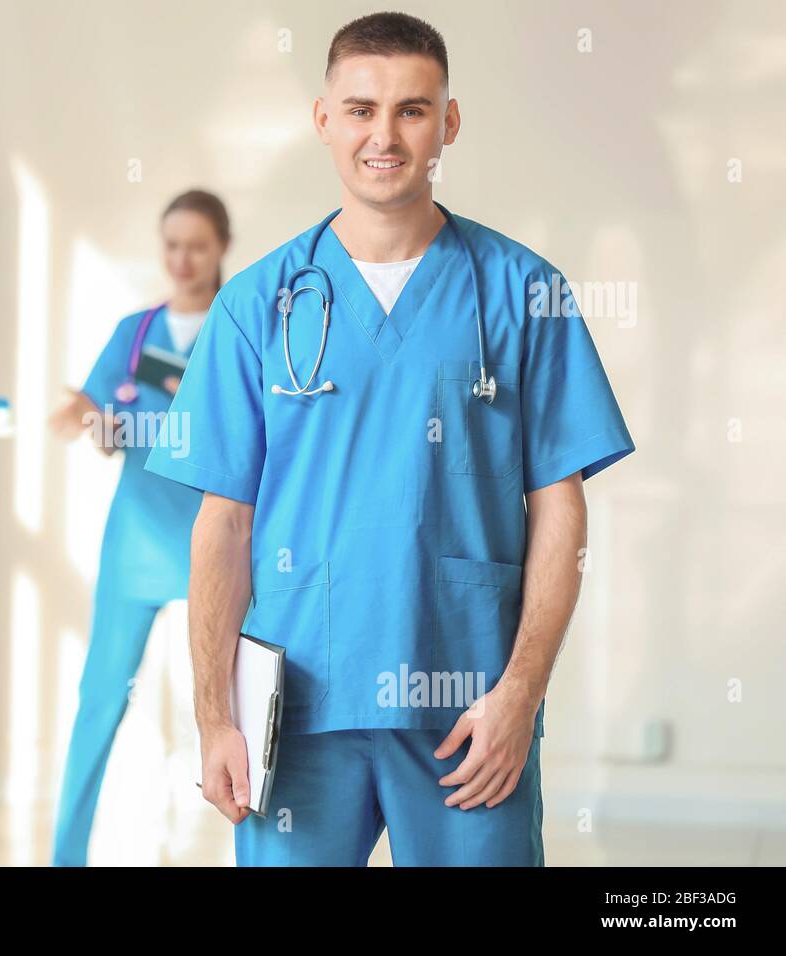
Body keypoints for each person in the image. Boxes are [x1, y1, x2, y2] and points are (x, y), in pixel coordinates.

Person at [146, 13, 635, 866]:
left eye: (412, 110)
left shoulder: (523, 294)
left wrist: (519, 694)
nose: (385, 134)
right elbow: (222, 524)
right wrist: (214, 716)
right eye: (362, 109)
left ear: (448, 121)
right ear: (323, 120)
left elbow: (560, 509)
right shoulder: (259, 306)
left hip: (467, 712)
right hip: (298, 712)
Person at [48, 190, 232, 866]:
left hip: (216, 541)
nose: (182, 260)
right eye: (172, 245)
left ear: (221, 250)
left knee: (241, 709)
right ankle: (64, 857)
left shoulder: (239, 326)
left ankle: (265, 850)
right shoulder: (134, 331)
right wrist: (90, 423)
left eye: (197, 246)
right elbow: (82, 416)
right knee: (99, 701)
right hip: (135, 539)